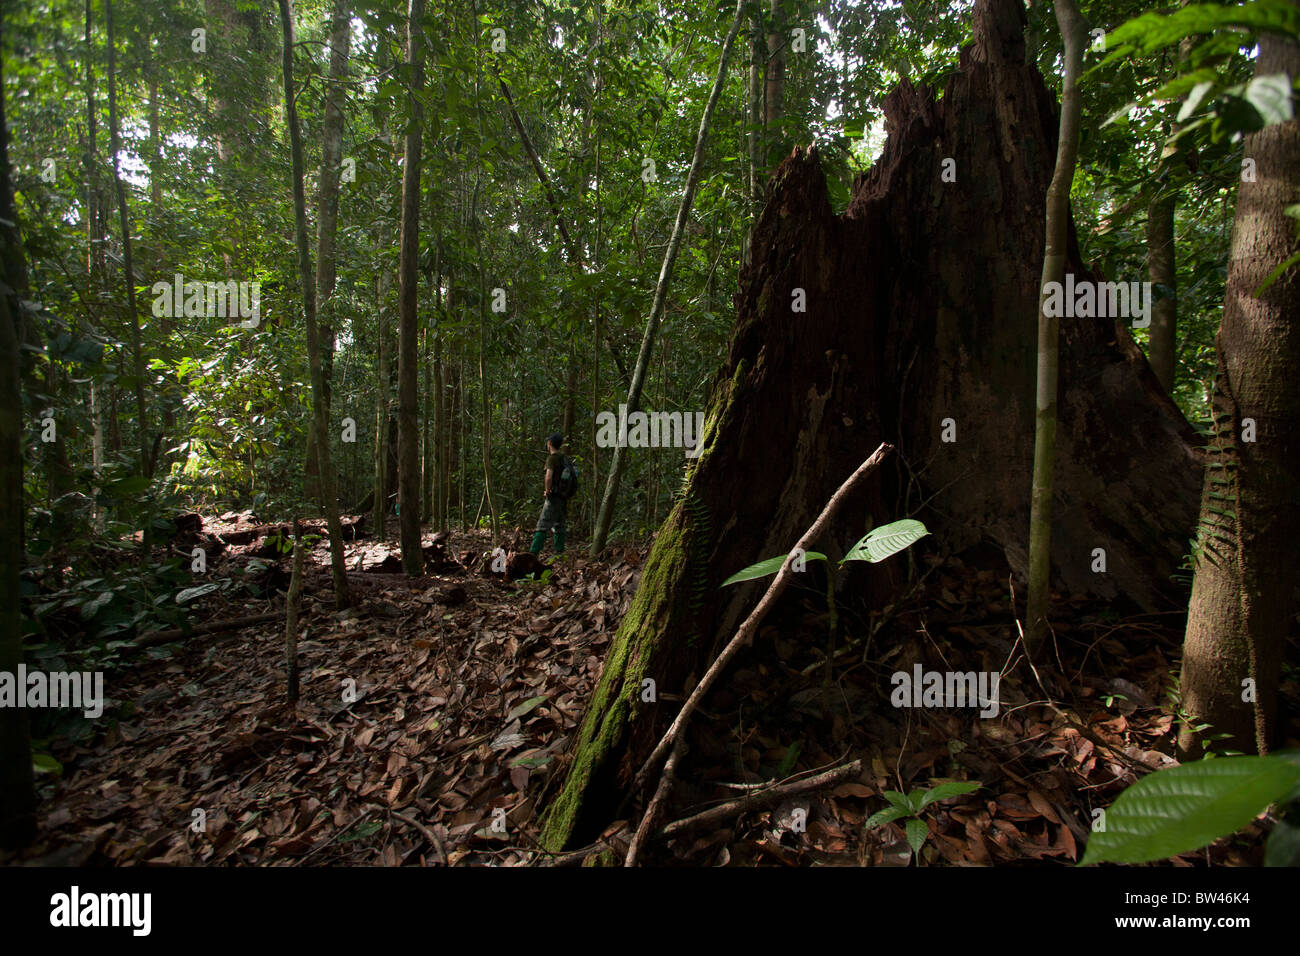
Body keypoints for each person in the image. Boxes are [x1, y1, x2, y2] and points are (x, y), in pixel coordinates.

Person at [529, 432, 567, 555]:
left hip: (554, 496)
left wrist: (547, 490)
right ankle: (559, 552)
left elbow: (548, 477)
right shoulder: (564, 458)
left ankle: (533, 553)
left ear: (549, 443)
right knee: (559, 524)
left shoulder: (552, 458)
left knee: (542, 524)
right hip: (563, 496)